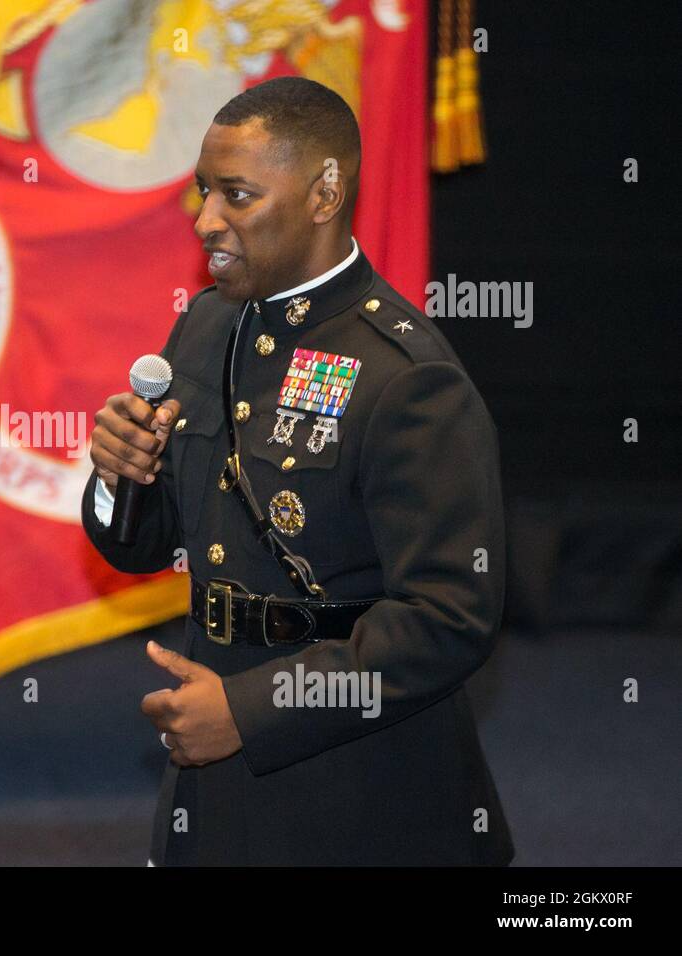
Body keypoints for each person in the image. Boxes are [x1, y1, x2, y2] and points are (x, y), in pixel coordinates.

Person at [82, 76, 513, 866]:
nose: (206, 220)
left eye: (237, 196)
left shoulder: (406, 374)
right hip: (211, 789)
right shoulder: (208, 326)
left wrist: (251, 711)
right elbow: (149, 546)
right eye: (204, 191)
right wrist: (121, 475)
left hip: (358, 791)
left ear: (324, 194)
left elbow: (450, 618)